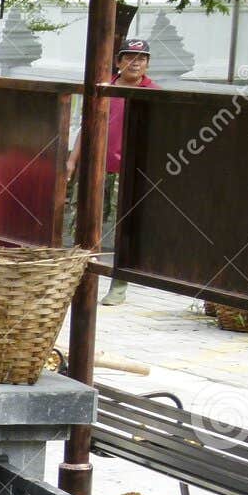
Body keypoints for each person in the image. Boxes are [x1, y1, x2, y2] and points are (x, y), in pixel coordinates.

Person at [66, 36, 157, 305]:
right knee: (81, 224)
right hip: (95, 168)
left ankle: (119, 284)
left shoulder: (154, 93)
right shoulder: (104, 90)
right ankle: (75, 279)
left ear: (148, 64)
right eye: (129, 56)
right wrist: (72, 162)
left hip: (130, 172)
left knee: (124, 228)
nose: (135, 62)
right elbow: (86, 127)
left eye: (141, 58)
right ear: (118, 61)